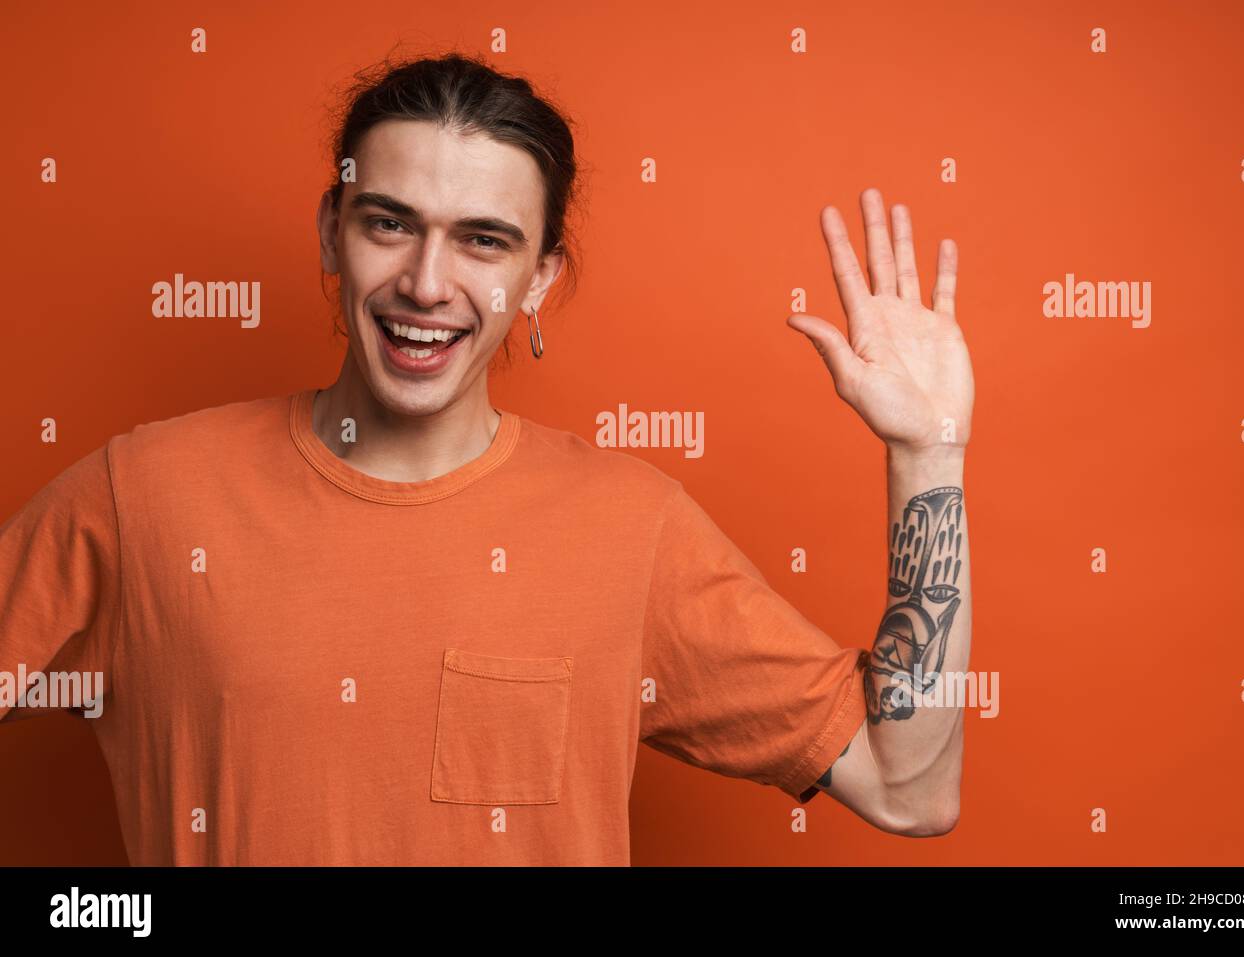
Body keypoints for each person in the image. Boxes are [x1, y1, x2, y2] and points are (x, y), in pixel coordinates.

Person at [0, 51, 974, 865]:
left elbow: (907, 786)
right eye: (388, 223)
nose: (427, 283)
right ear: (332, 236)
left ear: (540, 277)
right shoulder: (145, 495)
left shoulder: (631, 530)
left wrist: (928, 453)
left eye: (484, 241)